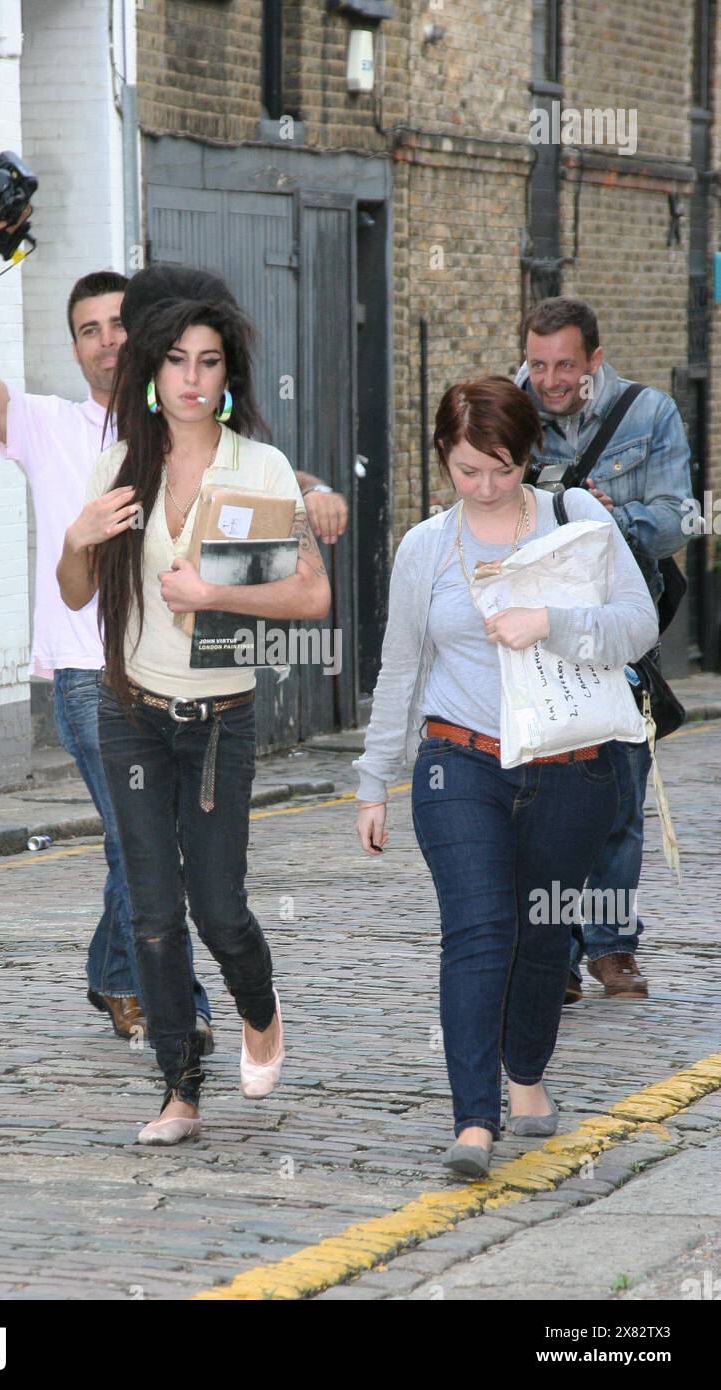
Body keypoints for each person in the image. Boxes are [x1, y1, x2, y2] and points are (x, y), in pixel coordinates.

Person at [354, 376, 658, 1178]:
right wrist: (373, 780)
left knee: (541, 933)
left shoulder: (574, 517)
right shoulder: (425, 548)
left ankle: (525, 1074)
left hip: (570, 768)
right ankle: (472, 1122)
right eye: (467, 470)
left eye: (503, 468)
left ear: (529, 455)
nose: (486, 486)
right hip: (459, 762)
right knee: (479, 930)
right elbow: (399, 671)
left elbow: (637, 625)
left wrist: (549, 623)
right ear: (442, 459)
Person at [58, 265, 332, 1146]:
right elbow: (74, 595)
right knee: (150, 914)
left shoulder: (261, 467)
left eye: (209, 362)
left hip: (219, 718)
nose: (191, 378)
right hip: (130, 710)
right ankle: (179, 1087)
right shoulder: (121, 463)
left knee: (218, 910)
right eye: (176, 360)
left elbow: (311, 595)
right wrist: (76, 541)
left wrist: (213, 592)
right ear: (153, 369)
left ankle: (259, 1005)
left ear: (227, 375)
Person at [516, 297, 693, 1001]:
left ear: (594, 359)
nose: (549, 381)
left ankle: (612, 946)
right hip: (534, 638)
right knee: (541, 804)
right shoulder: (509, 409)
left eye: (565, 365)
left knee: (618, 796)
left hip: (618, 635)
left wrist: (612, 516)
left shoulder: (648, 415)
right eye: (537, 365)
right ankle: (551, 953)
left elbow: (679, 519)